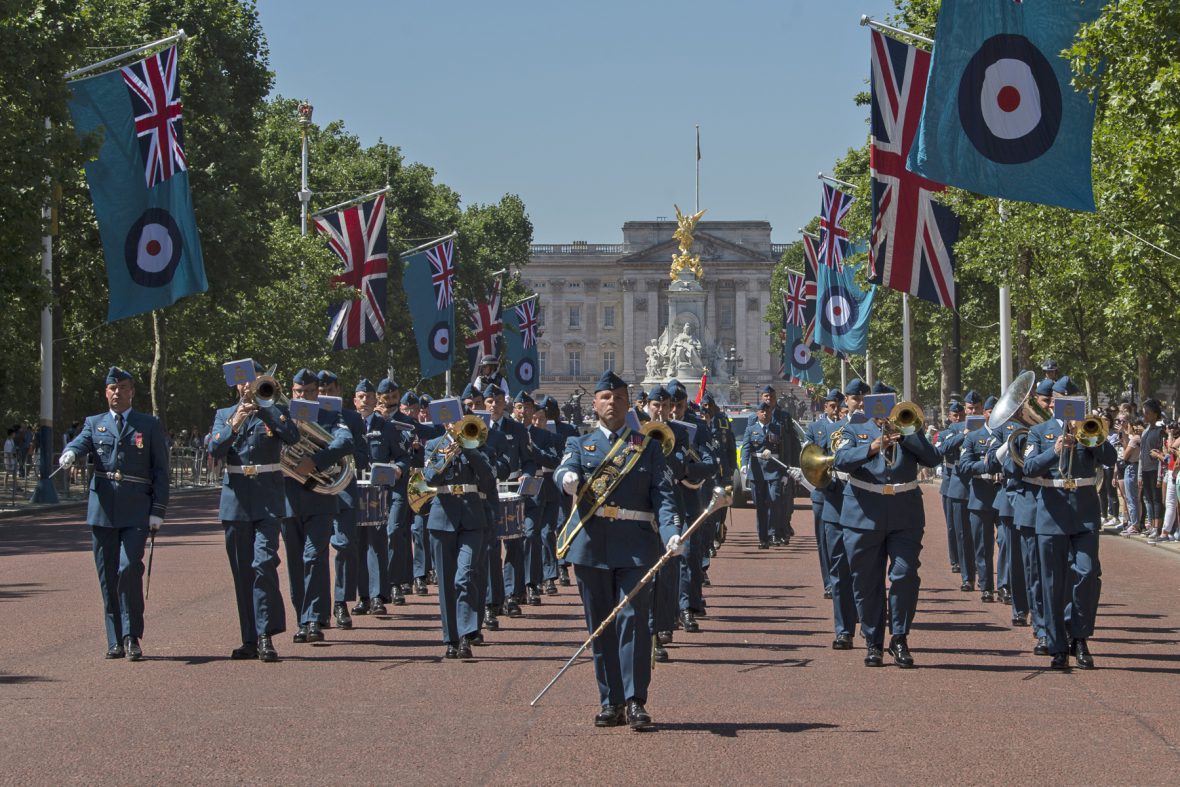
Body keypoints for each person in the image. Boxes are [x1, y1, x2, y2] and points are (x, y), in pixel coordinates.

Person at [554, 371, 681, 730]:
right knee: (601, 626)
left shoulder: (647, 446)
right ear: (595, 404)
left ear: (629, 405)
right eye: (606, 397)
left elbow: (664, 495)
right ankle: (611, 701)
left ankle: (635, 699)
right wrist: (566, 479)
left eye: (619, 398)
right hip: (591, 546)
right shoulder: (580, 443)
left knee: (634, 621)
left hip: (636, 547)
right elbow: (564, 469)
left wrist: (671, 531)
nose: (612, 403)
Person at [61, 367, 169, 661]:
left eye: (122, 387)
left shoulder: (148, 424)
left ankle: (131, 635)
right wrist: (70, 452)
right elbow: (81, 442)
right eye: (112, 388)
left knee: (129, 567)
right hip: (103, 511)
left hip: (136, 510)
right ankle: (115, 639)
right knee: (107, 575)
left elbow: (161, 470)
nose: (117, 392)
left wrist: (158, 510)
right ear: (105, 392)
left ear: (132, 392)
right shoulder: (94, 423)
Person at [832, 382, 940, 668]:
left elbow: (933, 458)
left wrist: (907, 435)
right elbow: (840, 460)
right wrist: (872, 447)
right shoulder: (853, 429)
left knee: (905, 575)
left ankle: (900, 637)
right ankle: (873, 641)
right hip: (863, 514)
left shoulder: (909, 429)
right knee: (867, 582)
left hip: (904, 513)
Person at [207, 360, 300, 662]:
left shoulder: (275, 410)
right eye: (244, 380)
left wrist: (265, 407)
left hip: (267, 499)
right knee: (242, 572)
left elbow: (292, 435)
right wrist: (236, 420)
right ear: (236, 384)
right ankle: (249, 638)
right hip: (236, 501)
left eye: (255, 380)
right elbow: (215, 449)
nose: (248, 385)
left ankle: (265, 635)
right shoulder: (224, 414)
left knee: (263, 564)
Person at [1022, 375, 1116, 669]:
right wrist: (1055, 450)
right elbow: (1029, 467)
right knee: (1052, 582)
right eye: (1062, 401)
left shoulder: (1089, 428)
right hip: (1052, 512)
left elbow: (1110, 458)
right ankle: (1057, 645)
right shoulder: (1039, 431)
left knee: (1087, 575)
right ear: (1053, 404)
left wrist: (1088, 435)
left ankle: (1080, 637)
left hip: (1084, 513)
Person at [280, 369, 353, 644]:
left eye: (309, 392)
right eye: (299, 392)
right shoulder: (281, 416)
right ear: (292, 391)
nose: (303, 396)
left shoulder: (330, 415)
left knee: (313, 557)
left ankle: (313, 619)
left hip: (320, 499)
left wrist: (316, 461)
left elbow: (345, 441)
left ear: (316, 393)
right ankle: (304, 618)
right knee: (295, 563)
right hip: (288, 500)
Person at [423, 410, 499, 659]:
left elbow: (488, 479)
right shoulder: (434, 445)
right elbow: (429, 478)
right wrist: (446, 454)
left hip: (472, 516)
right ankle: (452, 638)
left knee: (465, 575)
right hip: (442, 515)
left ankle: (467, 634)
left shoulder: (479, 444)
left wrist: (468, 449)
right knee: (446, 582)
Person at [317, 371, 373, 627]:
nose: (325, 395)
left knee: (345, 545)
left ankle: (340, 602)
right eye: (321, 391)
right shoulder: (307, 415)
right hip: (314, 489)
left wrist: (341, 452)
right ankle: (317, 610)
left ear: (338, 391)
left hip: (344, 489)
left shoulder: (351, 418)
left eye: (330, 390)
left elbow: (363, 457)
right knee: (315, 551)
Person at [957, 395, 1000, 604]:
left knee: (1007, 544)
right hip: (981, 495)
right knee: (983, 545)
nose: (995, 415)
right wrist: (986, 466)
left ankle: (1006, 586)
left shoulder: (1010, 434)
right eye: (991, 412)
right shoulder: (974, 436)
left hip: (1004, 494)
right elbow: (964, 466)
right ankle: (986, 586)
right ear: (985, 413)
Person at [743, 403, 786, 550]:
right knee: (760, 505)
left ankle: (773, 533)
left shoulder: (777, 428)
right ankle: (762, 538)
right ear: (757, 413)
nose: (765, 414)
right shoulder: (751, 429)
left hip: (774, 469)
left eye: (767, 411)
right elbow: (746, 448)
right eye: (762, 411)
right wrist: (744, 464)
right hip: (757, 471)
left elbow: (783, 451)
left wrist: (784, 472)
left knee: (774, 500)